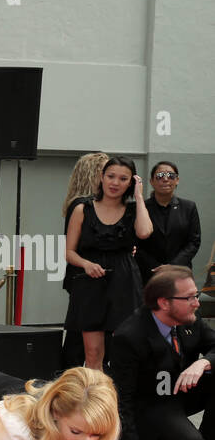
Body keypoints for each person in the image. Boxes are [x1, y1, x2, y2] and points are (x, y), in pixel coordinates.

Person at [109, 266, 215, 440]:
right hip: (147, 407)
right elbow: (122, 400)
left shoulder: (191, 319)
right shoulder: (129, 336)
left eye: (196, 295)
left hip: (178, 393)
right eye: (189, 298)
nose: (197, 302)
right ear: (164, 303)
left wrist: (203, 363)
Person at [63, 155, 154, 370]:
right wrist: (86, 264)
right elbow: (69, 252)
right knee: (93, 352)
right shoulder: (82, 209)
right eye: (111, 176)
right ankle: (99, 401)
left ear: (131, 182)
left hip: (124, 281)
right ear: (101, 177)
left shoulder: (133, 210)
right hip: (90, 281)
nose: (115, 183)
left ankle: (123, 399)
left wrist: (139, 197)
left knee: (125, 347)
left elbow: (144, 232)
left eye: (123, 179)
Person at [59, 152, 107, 368]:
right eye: (106, 172)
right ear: (94, 174)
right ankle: (69, 378)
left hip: (88, 275)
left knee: (82, 335)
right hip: (84, 275)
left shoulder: (90, 204)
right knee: (80, 337)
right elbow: (73, 247)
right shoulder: (81, 205)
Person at [135, 160, 202, 283]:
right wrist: (156, 268)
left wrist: (173, 266)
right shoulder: (141, 208)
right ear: (151, 181)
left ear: (177, 180)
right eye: (160, 175)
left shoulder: (188, 207)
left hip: (180, 272)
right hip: (148, 273)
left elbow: (194, 242)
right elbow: (136, 245)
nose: (165, 179)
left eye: (171, 175)